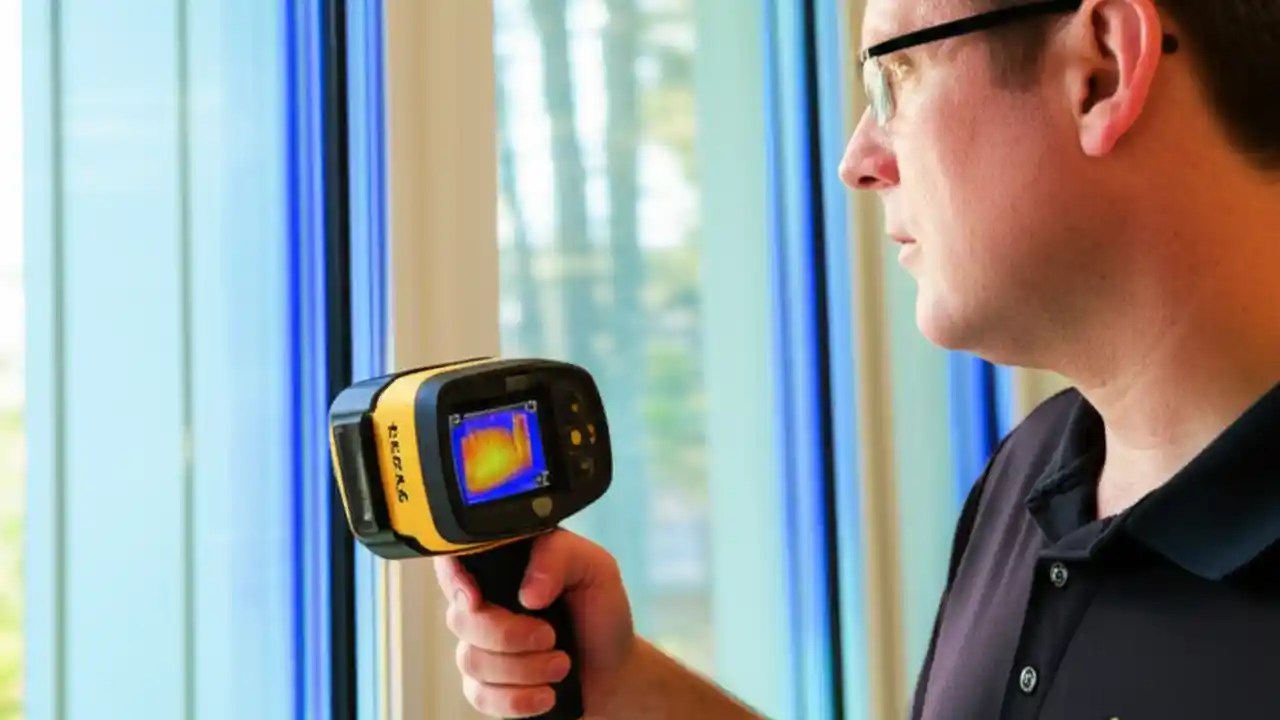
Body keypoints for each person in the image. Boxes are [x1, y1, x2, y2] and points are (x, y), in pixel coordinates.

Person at [435, 0, 1280, 716]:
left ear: (1101, 68)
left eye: (891, 79)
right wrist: (629, 686)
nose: (857, 160)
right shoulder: (1037, 473)